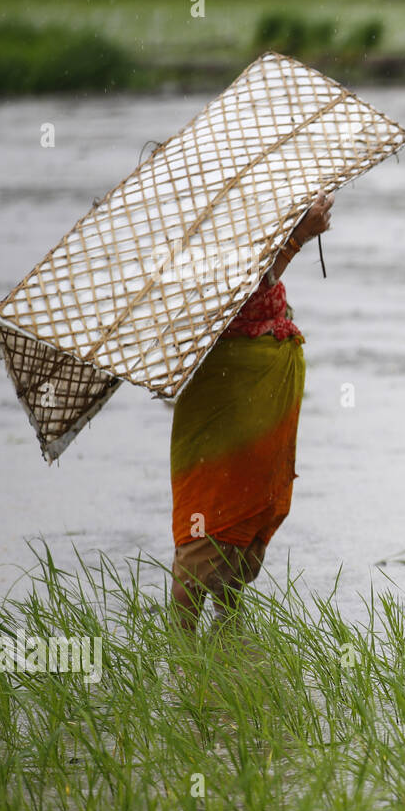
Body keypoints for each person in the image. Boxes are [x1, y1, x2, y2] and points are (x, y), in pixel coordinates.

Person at [169, 191, 333, 634]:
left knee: (250, 514)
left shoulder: (230, 228)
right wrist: (298, 238)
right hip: (229, 389)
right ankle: (180, 648)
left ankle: (228, 633)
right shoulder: (194, 248)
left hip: (258, 391)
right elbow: (240, 290)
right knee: (208, 518)